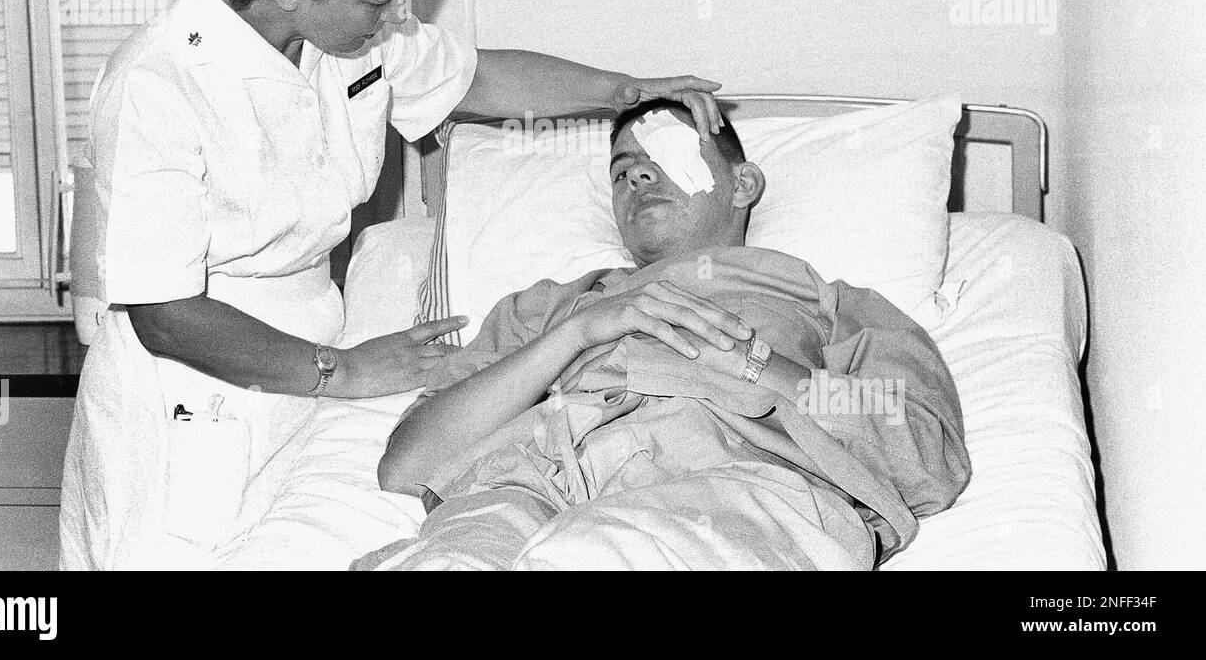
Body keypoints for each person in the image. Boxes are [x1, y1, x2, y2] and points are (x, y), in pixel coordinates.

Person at [58, 0, 725, 570]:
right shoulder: (158, 82)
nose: (394, 17)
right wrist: (346, 371)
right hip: (183, 407)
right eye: (376, 1)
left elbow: (480, 78)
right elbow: (165, 314)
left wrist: (628, 91)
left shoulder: (345, 40)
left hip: (309, 367)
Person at [362, 99, 972, 570]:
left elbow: (924, 454)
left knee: (597, 555)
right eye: (622, 171)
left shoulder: (828, 302)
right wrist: (574, 337)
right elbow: (408, 464)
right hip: (529, 483)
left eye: (663, 156)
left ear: (744, 185)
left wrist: (760, 365)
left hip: (737, 482)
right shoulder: (548, 309)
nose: (637, 179)